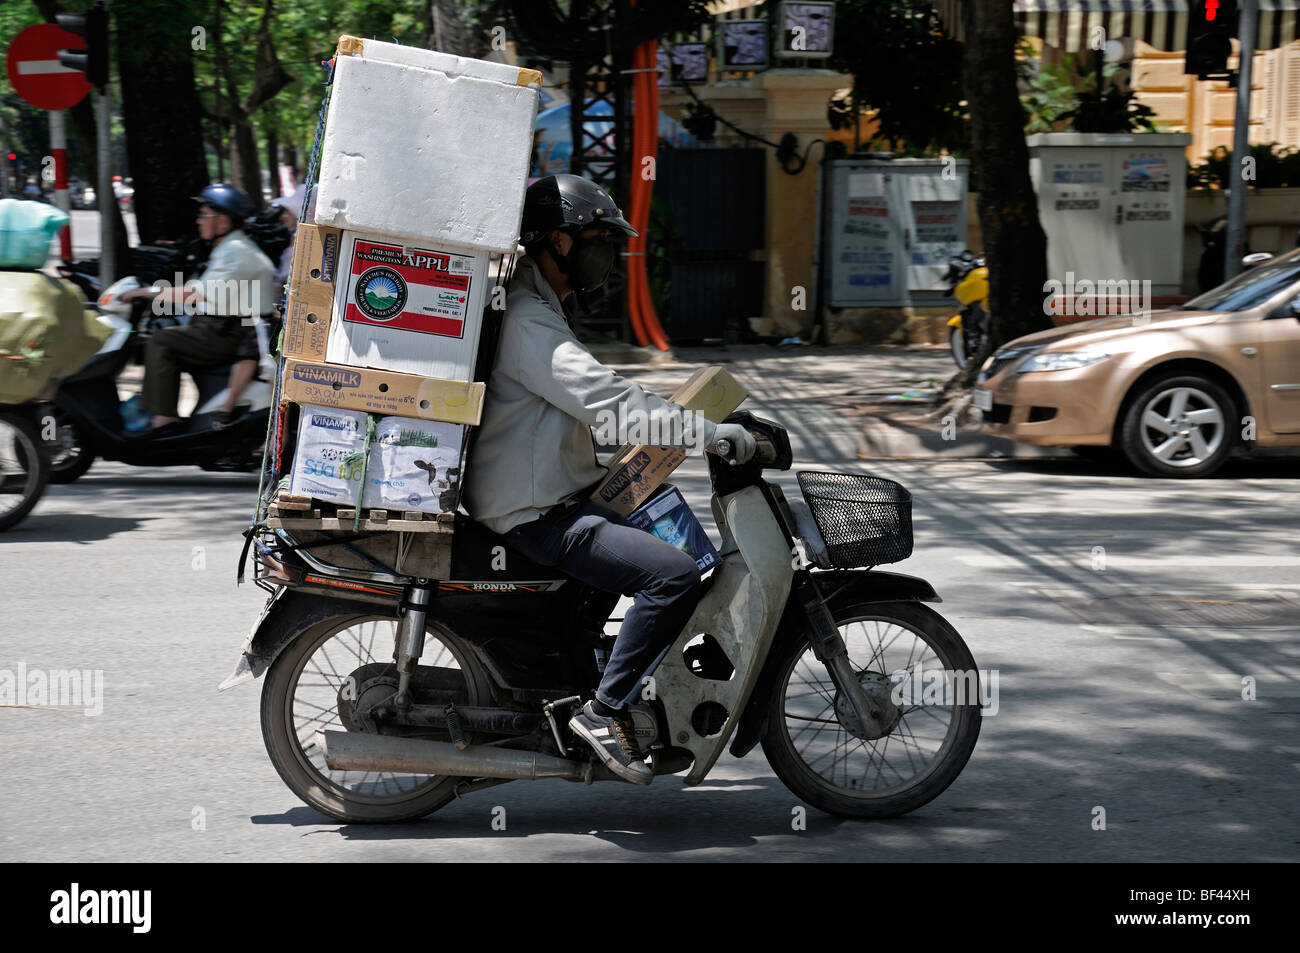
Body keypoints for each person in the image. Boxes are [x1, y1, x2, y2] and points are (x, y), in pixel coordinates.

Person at [463, 174, 754, 784]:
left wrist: (676, 421)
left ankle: (607, 677)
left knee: (669, 529)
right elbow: (607, 401)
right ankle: (605, 711)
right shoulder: (528, 319)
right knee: (672, 576)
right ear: (560, 241)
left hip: (548, 491)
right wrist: (708, 434)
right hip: (537, 512)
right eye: (599, 239)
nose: (608, 254)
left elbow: (596, 393)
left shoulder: (538, 304)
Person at [128, 184, 276, 428]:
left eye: (205, 215)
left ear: (223, 220)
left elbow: (197, 294)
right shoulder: (230, 248)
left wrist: (147, 292)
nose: (199, 221)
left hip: (229, 332)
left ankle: (163, 418)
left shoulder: (238, 252)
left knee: (161, 341)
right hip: (222, 327)